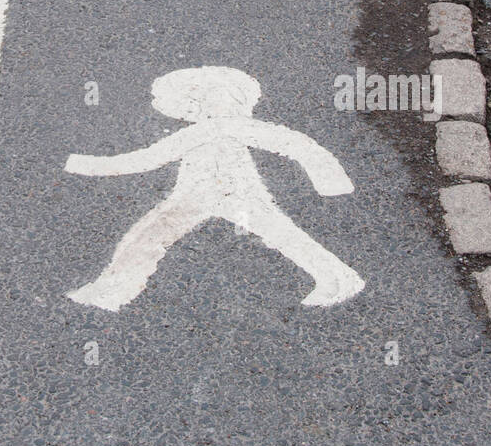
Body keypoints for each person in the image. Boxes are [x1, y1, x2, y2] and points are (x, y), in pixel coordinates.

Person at [66, 65, 365, 312]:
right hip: (194, 194)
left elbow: (301, 148)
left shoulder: (234, 127)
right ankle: (111, 290)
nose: (204, 104)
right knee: (149, 233)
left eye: (212, 96)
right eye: (198, 98)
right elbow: (147, 158)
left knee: (284, 235)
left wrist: (331, 182)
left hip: (239, 193)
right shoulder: (202, 130)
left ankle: (339, 278)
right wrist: (82, 164)